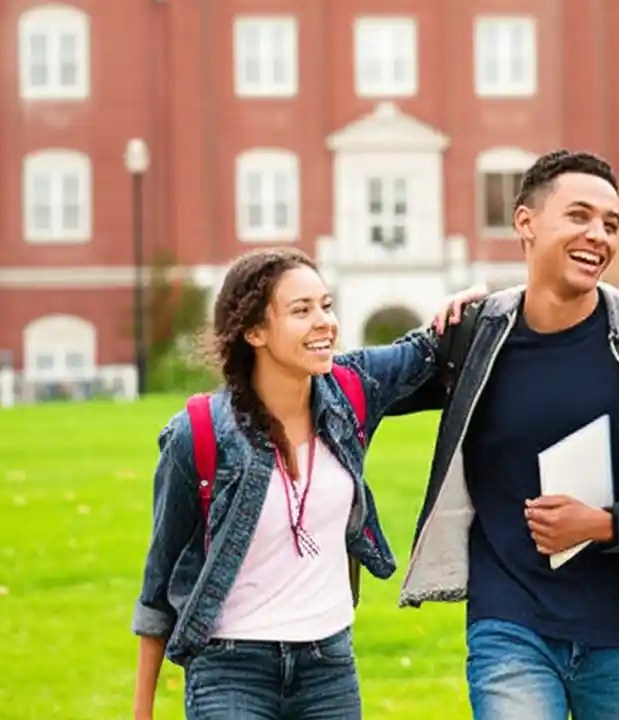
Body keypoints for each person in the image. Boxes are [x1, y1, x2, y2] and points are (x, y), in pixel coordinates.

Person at [393, 149, 619, 720]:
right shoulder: (474, 340)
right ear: (525, 222)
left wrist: (607, 524)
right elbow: (354, 389)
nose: (598, 235)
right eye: (579, 216)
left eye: (610, 224)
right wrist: (430, 334)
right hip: (511, 624)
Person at [131, 246, 439, 720]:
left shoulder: (349, 392)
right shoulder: (199, 433)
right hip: (230, 671)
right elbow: (157, 586)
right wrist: (142, 711)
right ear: (254, 332)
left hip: (328, 667)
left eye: (326, 305)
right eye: (301, 310)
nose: (324, 322)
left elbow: (430, 351)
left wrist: (467, 306)